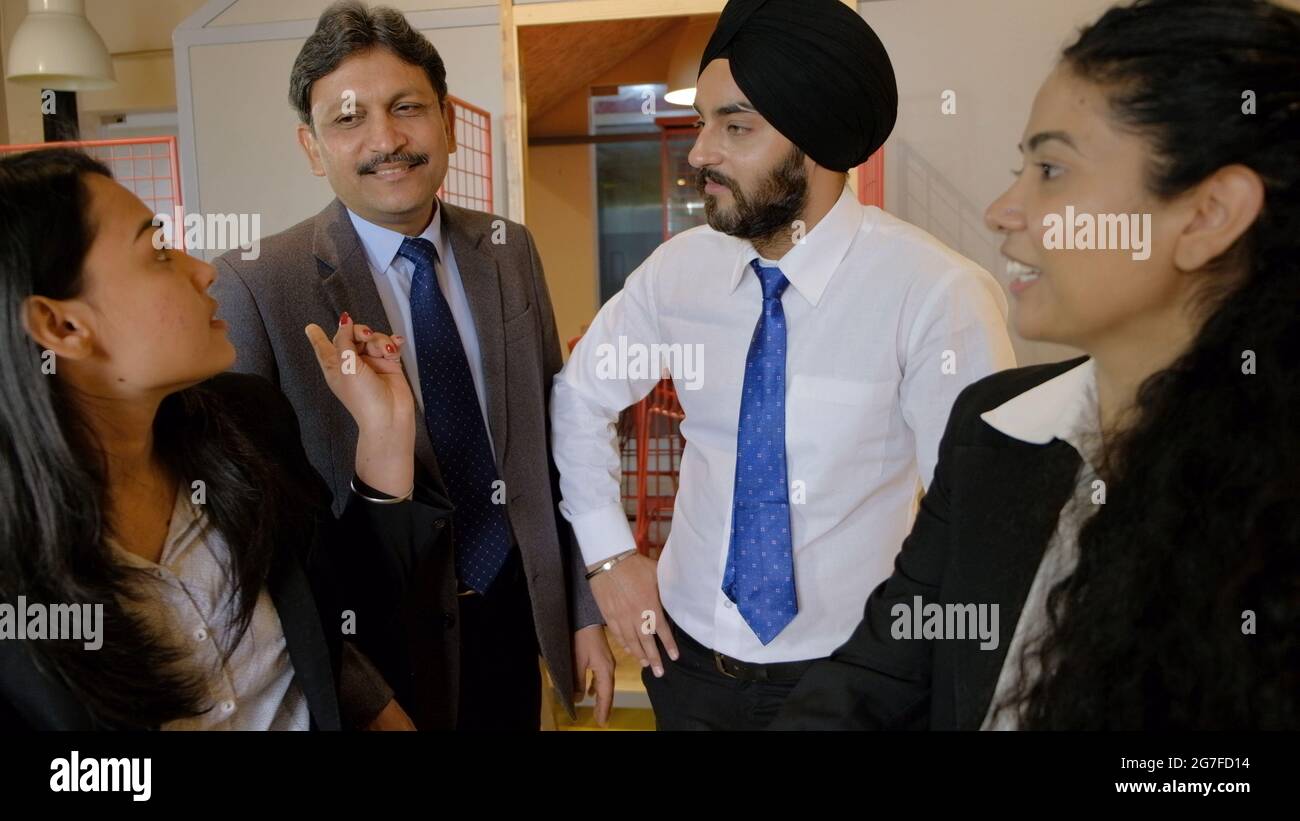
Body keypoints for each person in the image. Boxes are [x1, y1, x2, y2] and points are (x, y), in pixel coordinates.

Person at [774, 0, 1300, 730]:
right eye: (1021, 167)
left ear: (1208, 213)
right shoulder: (994, 430)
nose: (1001, 210)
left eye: (1051, 169)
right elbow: (884, 667)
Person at [550, 0, 1016, 730]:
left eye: (735, 127)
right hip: (688, 663)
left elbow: (983, 521)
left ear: (819, 142)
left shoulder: (935, 295)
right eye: (704, 121)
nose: (700, 151)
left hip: (854, 675)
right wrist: (610, 558)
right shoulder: (681, 273)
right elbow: (579, 399)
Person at [212, 1, 612, 730]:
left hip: (513, 611)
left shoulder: (507, 249)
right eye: (348, 118)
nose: (386, 139)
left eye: (407, 108)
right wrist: (359, 691)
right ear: (312, 147)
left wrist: (582, 606)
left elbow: (556, 443)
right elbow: (255, 534)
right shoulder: (259, 283)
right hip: (375, 646)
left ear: (450, 122)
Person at [0, 148, 445, 730]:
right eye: (157, 253)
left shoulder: (245, 424)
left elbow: (338, 614)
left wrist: (385, 432)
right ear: (63, 327)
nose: (203, 270)